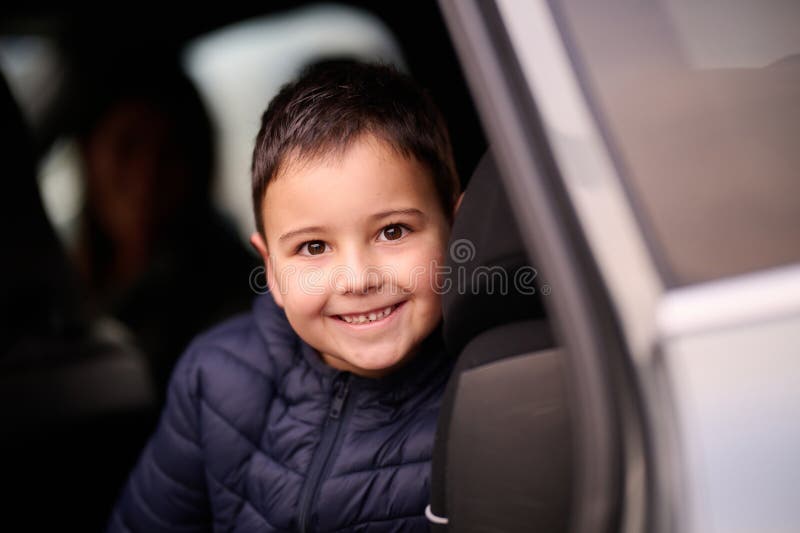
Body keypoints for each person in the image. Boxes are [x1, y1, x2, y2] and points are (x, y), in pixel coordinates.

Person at [107, 61, 462, 532]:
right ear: (270, 268)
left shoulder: (489, 399)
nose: (356, 279)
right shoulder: (214, 379)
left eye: (393, 231)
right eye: (314, 247)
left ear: (459, 229)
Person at [73, 56, 256, 397]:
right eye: (128, 146)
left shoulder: (231, 293)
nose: (147, 178)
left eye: (169, 152)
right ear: (87, 152)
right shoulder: (59, 282)